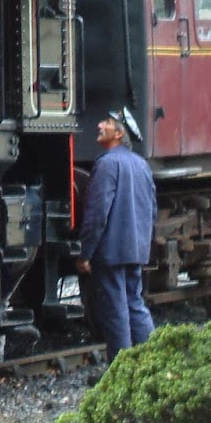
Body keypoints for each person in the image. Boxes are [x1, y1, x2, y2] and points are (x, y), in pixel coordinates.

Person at [77, 107, 157, 361]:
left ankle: (120, 372)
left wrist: (85, 253)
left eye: (107, 123)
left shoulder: (107, 164)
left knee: (115, 311)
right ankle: (153, 361)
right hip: (136, 249)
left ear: (119, 133)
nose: (100, 125)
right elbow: (151, 210)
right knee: (135, 304)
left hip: (110, 252)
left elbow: (97, 214)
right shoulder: (142, 165)